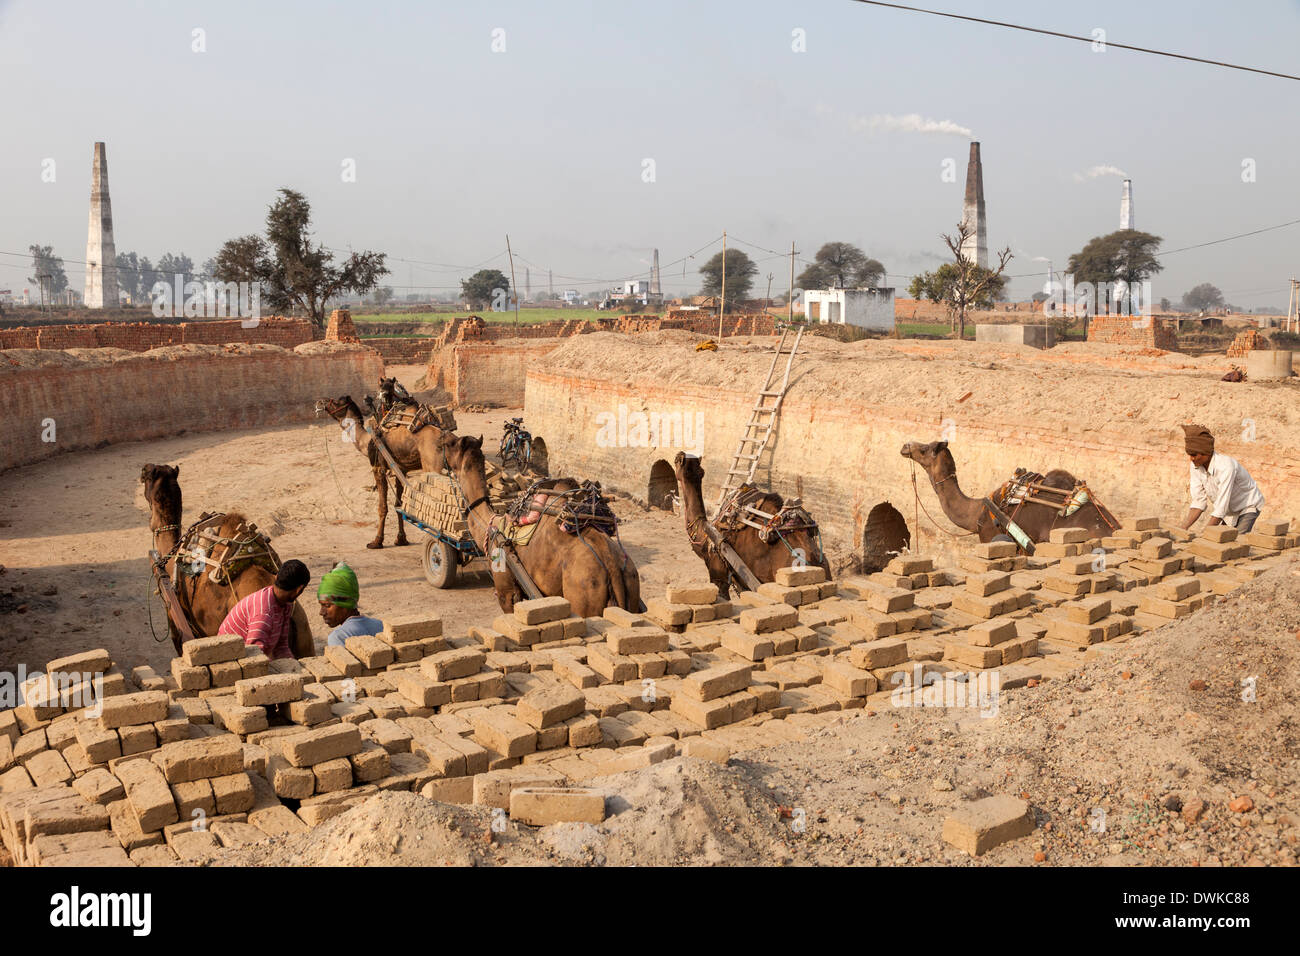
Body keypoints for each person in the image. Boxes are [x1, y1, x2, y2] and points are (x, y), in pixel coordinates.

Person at [1180, 423, 1264, 533]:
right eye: (1189, 454)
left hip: (1247, 506)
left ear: (1206, 453)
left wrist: (1204, 535)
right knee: (1220, 542)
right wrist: (1183, 528)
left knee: (1236, 543)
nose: (1191, 458)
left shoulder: (1226, 467)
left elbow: (1221, 507)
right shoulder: (1195, 465)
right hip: (1229, 512)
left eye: (1194, 454)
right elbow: (1199, 501)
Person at [218, 560, 311, 660]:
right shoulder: (263, 613)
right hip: (231, 657)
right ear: (299, 589)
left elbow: (281, 646)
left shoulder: (286, 605)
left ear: (276, 577)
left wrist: (292, 665)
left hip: (252, 654)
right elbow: (254, 657)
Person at [316, 561, 385, 647]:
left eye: (327, 605)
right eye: (321, 605)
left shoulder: (338, 637)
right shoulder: (381, 625)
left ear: (345, 605)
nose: (321, 612)